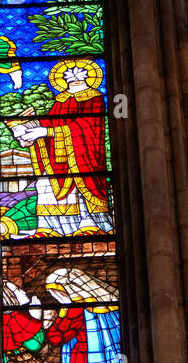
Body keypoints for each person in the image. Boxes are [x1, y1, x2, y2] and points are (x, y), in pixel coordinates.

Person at [10, 59, 112, 235]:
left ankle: (88, 224)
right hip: (57, 155)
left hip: (83, 153)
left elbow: (88, 125)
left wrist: (46, 132)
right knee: (43, 184)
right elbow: (51, 122)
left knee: (81, 182)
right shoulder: (60, 100)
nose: (73, 79)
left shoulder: (94, 98)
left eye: (78, 77)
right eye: (69, 78)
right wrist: (28, 129)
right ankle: (47, 227)